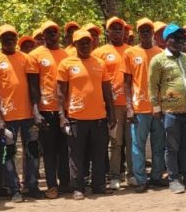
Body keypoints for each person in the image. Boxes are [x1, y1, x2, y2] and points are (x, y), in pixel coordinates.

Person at [0, 25, 41, 203]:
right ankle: (14, 189)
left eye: (12, 36)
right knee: (8, 153)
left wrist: (36, 111)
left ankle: (32, 186)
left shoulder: (26, 58)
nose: (9, 39)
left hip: (28, 116)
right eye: (5, 37)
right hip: (7, 118)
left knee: (32, 151)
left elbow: (33, 86)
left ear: (16, 38)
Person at [57, 30, 114, 200]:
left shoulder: (100, 63)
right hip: (76, 118)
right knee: (76, 155)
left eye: (87, 42)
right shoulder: (66, 64)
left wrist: (111, 113)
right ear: (74, 44)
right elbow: (60, 93)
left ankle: (98, 185)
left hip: (99, 118)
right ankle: (78, 188)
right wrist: (62, 116)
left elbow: (106, 90)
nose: (85, 45)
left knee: (99, 153)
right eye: (81, 42)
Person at [149, 24, 186, 194]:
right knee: (172, 147)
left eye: (182, 38)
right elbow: (152, 86)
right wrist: (156, 108)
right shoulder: (158, 60)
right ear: (167, 40)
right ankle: (173, 178)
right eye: (176, 38)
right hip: (171, 113)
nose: (180, 41)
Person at [123, 19, 166, 192]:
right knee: (137, 146)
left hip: (158, 108)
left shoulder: (161, 53)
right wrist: (128, 106)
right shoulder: (130, 53)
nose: (146, 33)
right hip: (139, 107)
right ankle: (141, 179)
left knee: (158, 145)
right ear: (139, 33)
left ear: (153, 33)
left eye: (149, 30)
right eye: (142, 30)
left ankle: (156, 176)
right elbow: (126, 82)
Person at [29, 21, 71, 199]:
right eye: (48, 32)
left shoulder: (66, 54)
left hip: (66, 109)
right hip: (46, 109)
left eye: (54, 32)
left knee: (64, 148)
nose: (52, 35)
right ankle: (52, 185)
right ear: (42, 35)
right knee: (49, 150)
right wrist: (36, 111)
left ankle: (66, 183)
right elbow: (32, 86)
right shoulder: (35, 55)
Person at [93, 17, 131, 190]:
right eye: (113, 29)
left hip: (131, 104)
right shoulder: (99, 53)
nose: (117, 32)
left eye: (120, 29)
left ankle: (132, 174)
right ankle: (115, 175)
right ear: (107, 32)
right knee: (115, 143)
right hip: (113, 105)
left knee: (132, 142)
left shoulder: (131, 51)